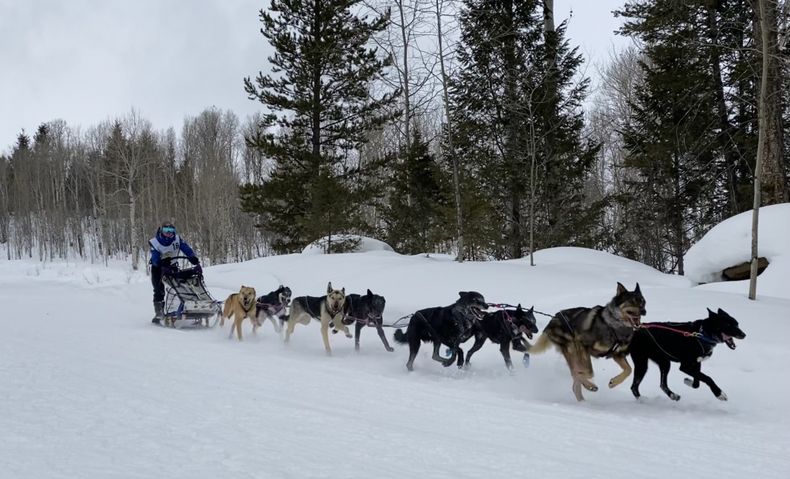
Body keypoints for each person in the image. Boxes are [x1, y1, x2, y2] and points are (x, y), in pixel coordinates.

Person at [149, 221, 200, 324]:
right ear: (161, 231)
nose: (169, 233)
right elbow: (154, 258)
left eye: (171, 231)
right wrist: (161, 261)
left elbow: (185, 248)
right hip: (158, 268)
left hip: (172, 267)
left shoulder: (176, 239)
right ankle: (159, 313)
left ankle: (182, 308)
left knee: (179, 287)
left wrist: (192, 257)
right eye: (166, 231)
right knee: (159, 290)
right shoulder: (155, 242)